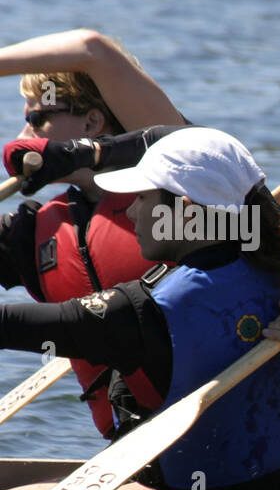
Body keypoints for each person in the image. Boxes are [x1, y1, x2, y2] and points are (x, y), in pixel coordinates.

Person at [0, 127, 280, 490]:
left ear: (189, 213)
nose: (131, 213)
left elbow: (10, 324)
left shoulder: (146, 314)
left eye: (142, 199)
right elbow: (223, 166)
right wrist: (85, 153)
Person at [0, 30, 186, 438]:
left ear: (91, 121)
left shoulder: (181, 182)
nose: (21, 138)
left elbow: (93, 50)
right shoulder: (39, 231)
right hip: (134, 454)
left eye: (37, 119)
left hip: (218, 450)